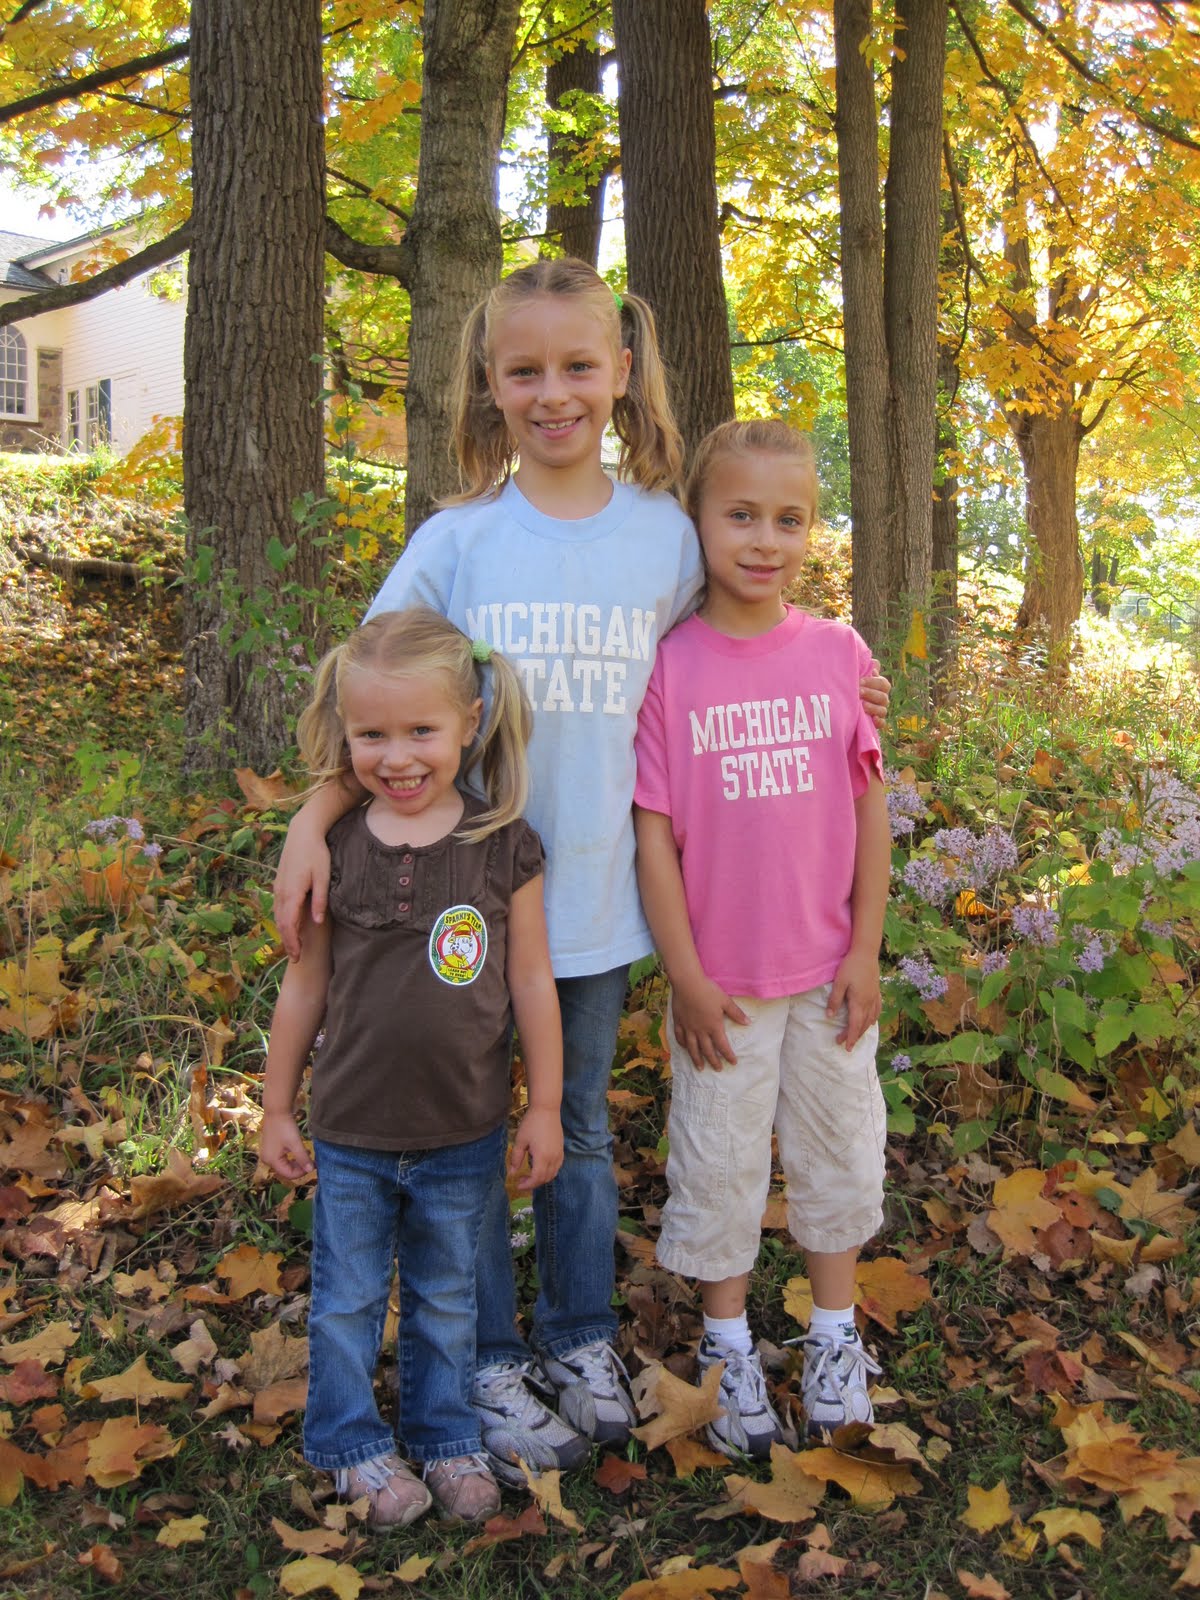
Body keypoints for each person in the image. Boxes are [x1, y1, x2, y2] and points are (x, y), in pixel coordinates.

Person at [272, 259, 892, 1480]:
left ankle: (577, 1334)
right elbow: (375, 682)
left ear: (620, 373)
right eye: (524, 371)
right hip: (455, 908)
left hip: (600, 906)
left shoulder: (664, 535)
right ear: (489, 385)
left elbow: (745, 648)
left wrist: (847, 682)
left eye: (576, 366)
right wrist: (314, 808)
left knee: (580, 1137)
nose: (552, 393)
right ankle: (493, 1356)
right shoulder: (461, 541)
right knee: (466, 1138)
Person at [259, 608, 564, 1527]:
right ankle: (348, 1440)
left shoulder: (501, 843)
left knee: (445, 1296)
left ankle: (443, 1436)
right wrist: (277, 1110)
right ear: (344, 733)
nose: (397, 756)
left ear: (469, 722)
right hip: (350, 1130)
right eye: (372, 734)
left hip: (462, 1131)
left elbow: (532, 981)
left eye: (421, 731)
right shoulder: (337, 850)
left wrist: (543, 1105)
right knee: (347, 1301)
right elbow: (304, 989)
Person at [633, 419, 890, 1459]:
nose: (764, 538)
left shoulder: (840, 655)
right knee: (722, 1167)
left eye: (789, 518)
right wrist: (684, 977)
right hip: (723, 989)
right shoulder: (671, 666)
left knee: (837, 1157)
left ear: (812, 529)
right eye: (740, 514)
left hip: (831, 973)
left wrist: (867, 946)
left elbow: (870, 809)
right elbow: (654, 835)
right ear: (698, 518)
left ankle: (834, 1337)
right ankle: (729, 1346)